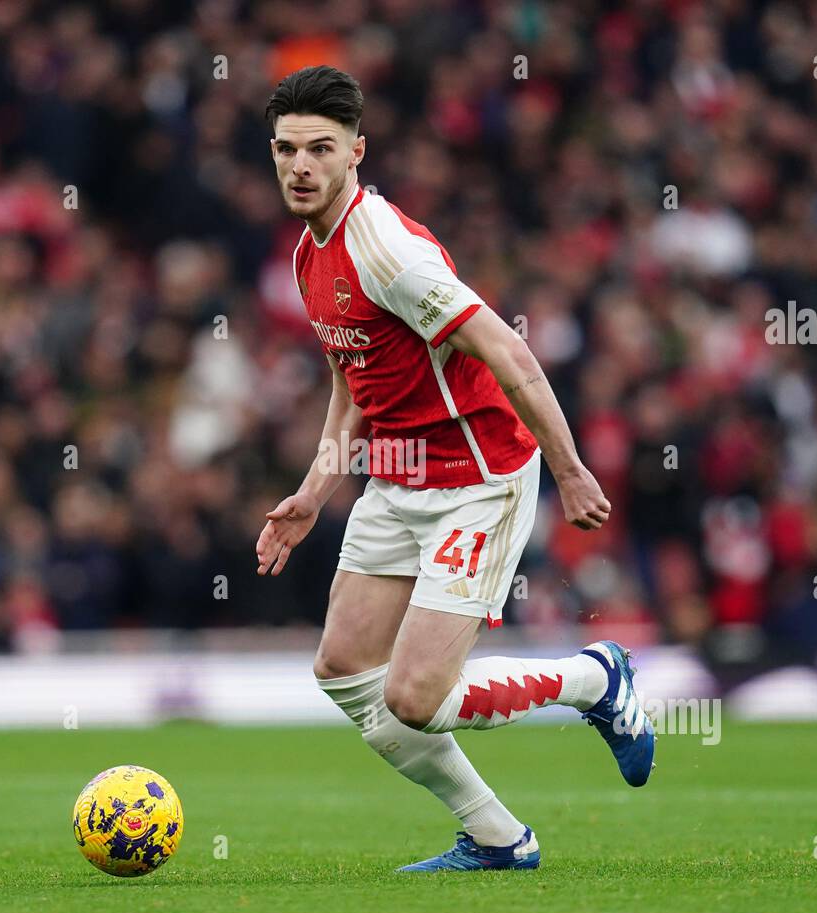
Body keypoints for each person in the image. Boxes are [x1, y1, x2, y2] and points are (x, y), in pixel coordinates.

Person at [255, 66, 654, 872]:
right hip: (397, 480)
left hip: (479, 478)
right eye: (288, 148)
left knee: (416, 697)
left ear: (356, 154)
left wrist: (571, 469)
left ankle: (593, 678)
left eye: (320, 149)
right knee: (343, 670)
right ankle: (500, 838)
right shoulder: (309, 252)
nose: (301, 165)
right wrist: (311, 491)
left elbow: (509, 351)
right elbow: (352, 380)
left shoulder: (388, 252)